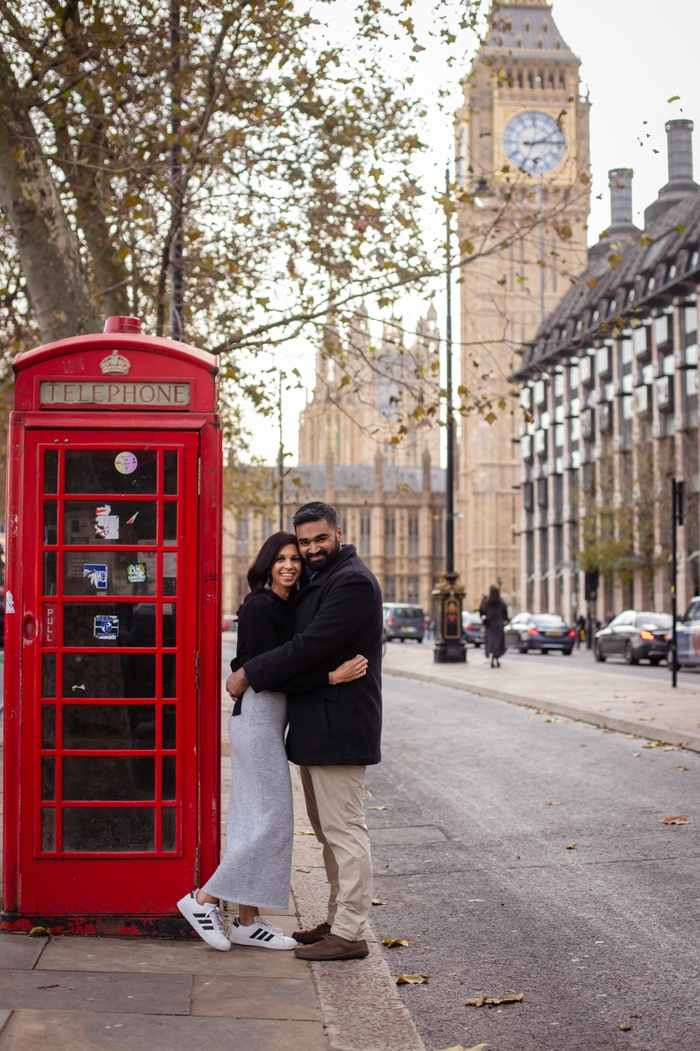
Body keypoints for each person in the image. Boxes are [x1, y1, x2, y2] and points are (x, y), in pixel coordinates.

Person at [177, 532, 367, 952]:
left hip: (265, 719)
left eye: (295, 559)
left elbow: (247, 662)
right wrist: (329, 677)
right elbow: (264, 670)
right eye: (280, 558)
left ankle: (247, 921)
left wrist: (245, 670)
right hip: (259, 720)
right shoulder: (264, 605)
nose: (289, 565)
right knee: (273, 822)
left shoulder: (285, 606)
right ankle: (203, 898)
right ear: (266, 564)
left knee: (251, 822)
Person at [226, 501, 383, 962]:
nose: (312, 549)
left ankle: (351, 931)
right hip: (317, 727)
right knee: (328, 832)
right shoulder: (323, 578)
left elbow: (310, 645)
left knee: (345, 831)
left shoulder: (350, 581)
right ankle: (338, 921)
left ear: (338, 532)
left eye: (320, 539)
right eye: (305, 541)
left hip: (341, 726)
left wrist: (248, 672)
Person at [480, 585, 508, 668]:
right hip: (498, 624)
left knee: (490, 640)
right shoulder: (501, 602)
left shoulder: (487, 602)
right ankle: (498, 656)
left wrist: (484, 619)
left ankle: (489, 655)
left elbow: (482, 612)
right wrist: (504, 621)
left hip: (490, 624)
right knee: (498, 641)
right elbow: (505, 614)